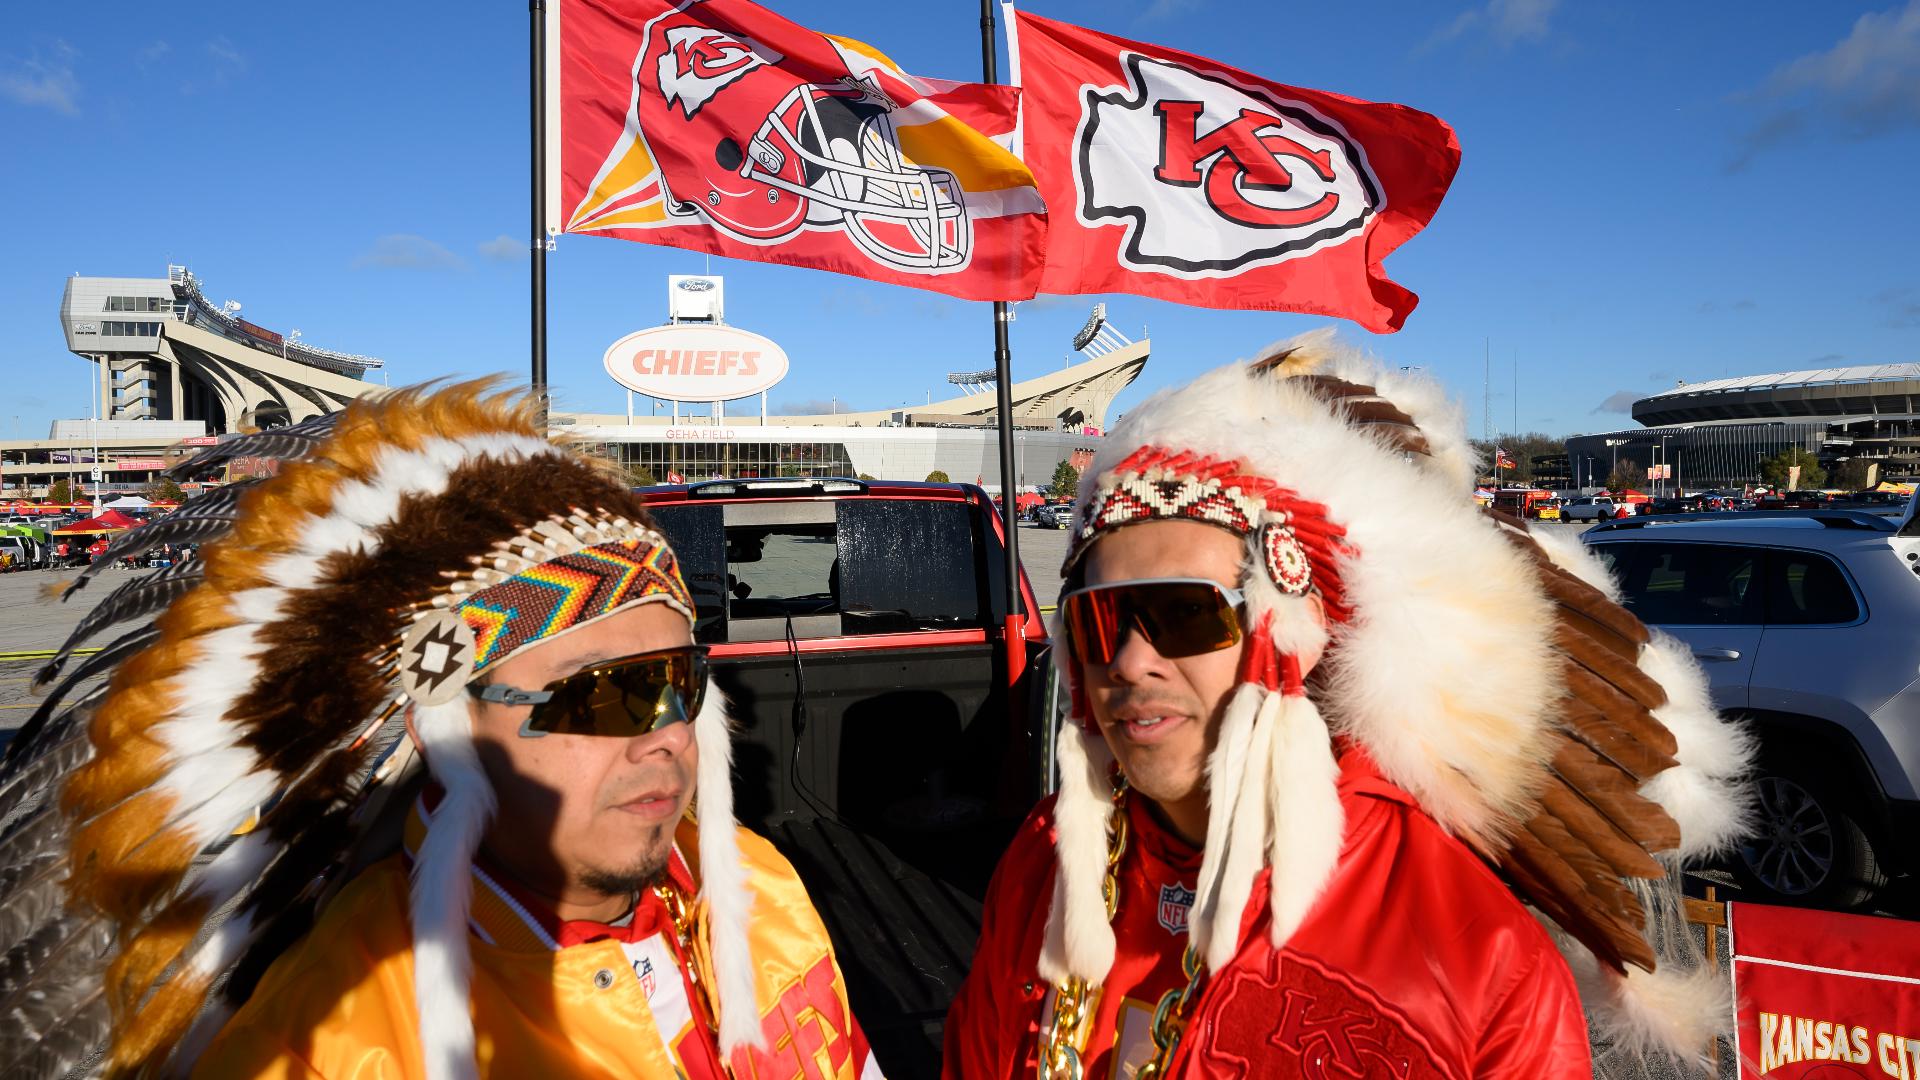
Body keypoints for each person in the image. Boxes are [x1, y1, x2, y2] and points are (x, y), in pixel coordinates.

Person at [1, 383, 881, 1079]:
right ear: (447, 731)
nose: (665, 738)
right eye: (600, 694)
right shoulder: (336, 1039)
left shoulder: (758, 888)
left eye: (680, 683)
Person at [945, 333, 1752, 1079]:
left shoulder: (1469, 947)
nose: (1129, 662)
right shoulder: (1046, 857)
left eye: (1185, 614)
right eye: (1097, 620)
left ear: (1287, 635)